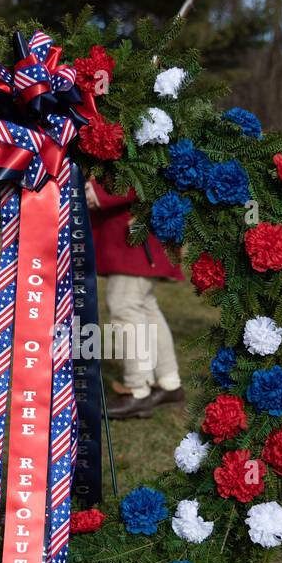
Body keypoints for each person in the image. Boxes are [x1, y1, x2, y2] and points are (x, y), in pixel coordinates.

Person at [87, 178, 185, 419]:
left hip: (134, 236)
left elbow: (139, 171)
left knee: (125, 307)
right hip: (139, 233)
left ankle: (137, 389)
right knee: (145, 307)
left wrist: (97, 190)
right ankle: (168, 382)